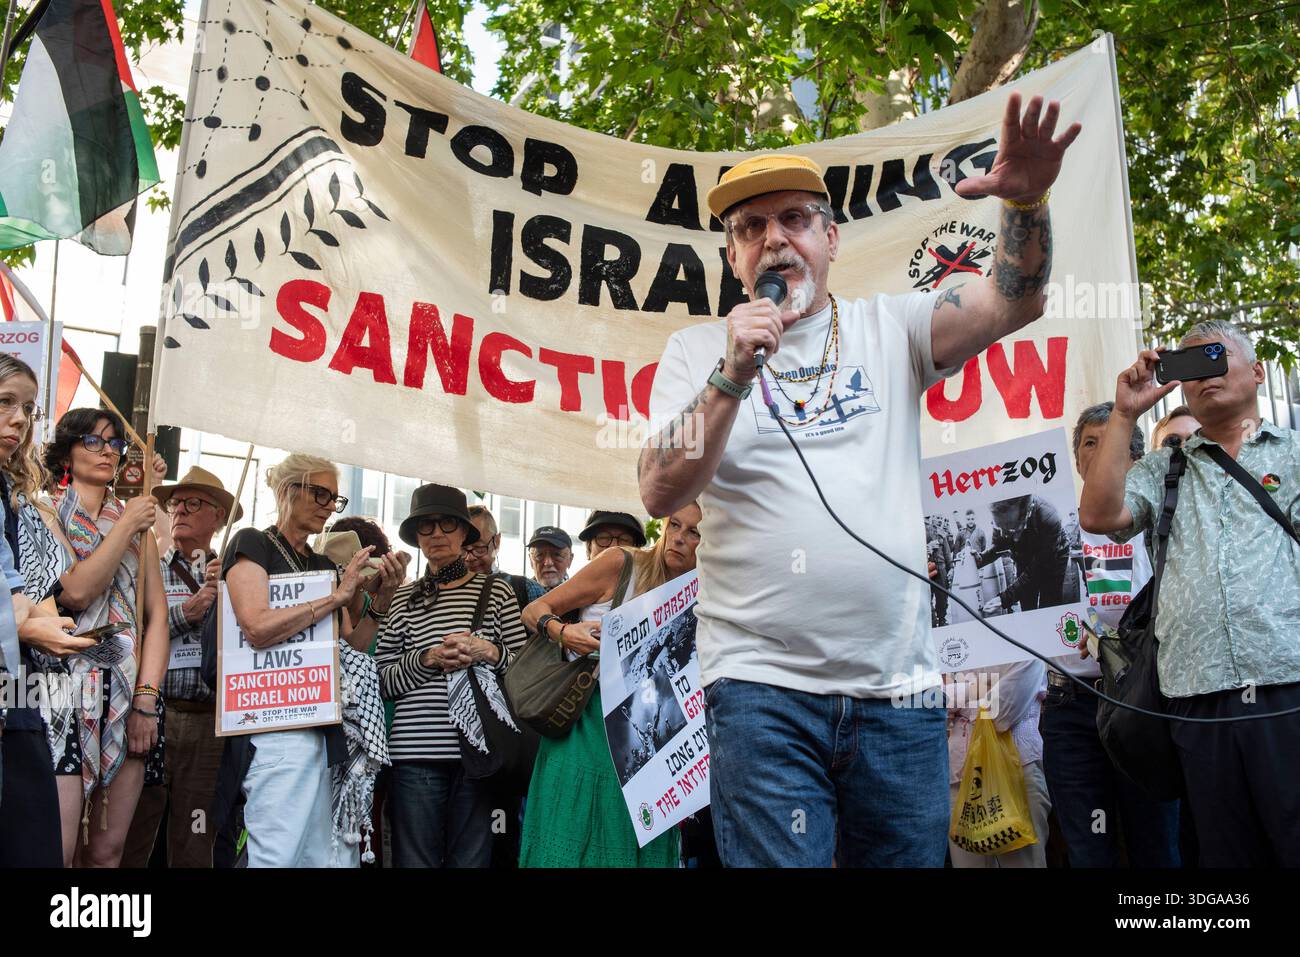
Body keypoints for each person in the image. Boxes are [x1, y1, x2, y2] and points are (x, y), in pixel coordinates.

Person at [638, 92, 1081, 866]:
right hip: (759, 688)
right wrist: (732, 373)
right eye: (751, 228)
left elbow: (1014, 298)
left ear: (831, 238)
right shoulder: (697, 350)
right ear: (734, 258)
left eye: (795, 219)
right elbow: (659, 489)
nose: (774, 238)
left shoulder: (892, 327)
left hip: (901, 693)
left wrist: (1027, 201)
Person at [1080, 319, 1300, 866]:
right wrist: (1126, 411)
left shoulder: (1292, 455)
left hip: (1286, 684)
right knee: (1225, 859)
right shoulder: (1164, 467)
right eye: (1191, 364)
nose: (1206, 373)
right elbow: (1098, 514)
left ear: (1257, 371)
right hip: (1195, 697)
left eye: (1216, 356)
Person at [214, 453, 396, 867]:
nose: (329, 506)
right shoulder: (252, 543)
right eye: (319, 493)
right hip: (272, 724)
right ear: (286, 490)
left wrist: (381, 598)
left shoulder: (319, 564)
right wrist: (334, 597)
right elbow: (256, 627)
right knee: (277, 852)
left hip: (321, 724)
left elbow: (350, 646)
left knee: (325, 856)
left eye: (335, 499)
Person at [519, 503, 702, 867]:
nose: (679, 538)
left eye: (695, 532)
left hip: (652, 742)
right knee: (568, 835)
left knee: (634, 845)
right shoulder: (622, 563)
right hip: (585, 723)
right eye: (675, 525)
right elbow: (535, 610)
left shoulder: (708, 593)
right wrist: (565, 632)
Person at [1042, 402, 1179, 868]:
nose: (1098, 454)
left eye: (1111, 443)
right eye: (1088, 444)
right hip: (1068, 705)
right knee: (1087, 850)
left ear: (1135, 457)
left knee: (1156, 844)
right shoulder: (1049, 524)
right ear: (1076, 457)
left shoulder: (1161, 523)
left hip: (1142, 703)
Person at [374, 484, 528, 868]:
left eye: (447, 524)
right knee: (415, 862)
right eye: (426, 526)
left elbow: (525, 672)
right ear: (416, 536)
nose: (437, 533)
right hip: (413, 753)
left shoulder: (498, 592)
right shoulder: (400, 598)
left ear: (464, 532)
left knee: (472, 861)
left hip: (480, 752)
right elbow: (380, 680)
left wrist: (487, 651)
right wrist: (428, 658)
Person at [42, 407, 169, 867]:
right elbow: (75, 590)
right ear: (67, 452)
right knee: (61, 849)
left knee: (107, 851)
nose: (106, 452)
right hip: (62, 694)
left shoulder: (140, 528)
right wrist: (126, 526)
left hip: (127, 693)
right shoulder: (43, 511)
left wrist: (146, 702)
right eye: (92, 442)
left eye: (113, 444)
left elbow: (157, 620)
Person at [121, 467, 239, 868]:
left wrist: (224, 600)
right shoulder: (146, 566)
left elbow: (247, 644)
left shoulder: (236, 575)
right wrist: (185, 614)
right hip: (153, 716)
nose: (180, 511)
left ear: (219, 517)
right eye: (176, 503)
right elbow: (132, 632)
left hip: (209, 724)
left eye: (194, 503)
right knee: (134, 830)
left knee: (196, 836)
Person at [0, 356, 83, 866]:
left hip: (19, 688)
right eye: (5, 402)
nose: (19, 419)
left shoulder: (14, 495)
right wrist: (32, 625)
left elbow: (16, 585)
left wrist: (42, 623)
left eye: (29, 408)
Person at [946, 660, 1050, 868]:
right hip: (958, 773)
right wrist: (980, 689)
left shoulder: (1027, 645)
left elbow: (999, 713)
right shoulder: (953, 642)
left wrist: (959, 696)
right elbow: (934, 704)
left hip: (1016, 770)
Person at [973, 494, 1073, 614]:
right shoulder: (1000, 518)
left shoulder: (1049, 517)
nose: (1013, 539)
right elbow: (999, 546)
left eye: (1012, 529)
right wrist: (982, 559)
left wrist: (1005, 598)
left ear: (1027, 513)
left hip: (1054, 555)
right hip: (1024, 554)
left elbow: (1039, 567)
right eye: (1002, 529)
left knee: (1049, 604)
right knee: (1027, 602)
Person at [466, 504, 539, 609]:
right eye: (462, 549)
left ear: (497, 541)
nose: (469, 558)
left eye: (479, 548)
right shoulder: (441, 590)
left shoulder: (526, 589)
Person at [577, 509, 646, 560]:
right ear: (589, 548)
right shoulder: (575, 580)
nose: (613, 547)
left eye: (624, 540)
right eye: (603, 538)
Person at [526, 525, 573, 593]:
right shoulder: (517, 595)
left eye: (557, 555)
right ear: (531, 560)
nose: (548, 563)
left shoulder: (583, 597)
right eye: (539, 555)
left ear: (570, 560)